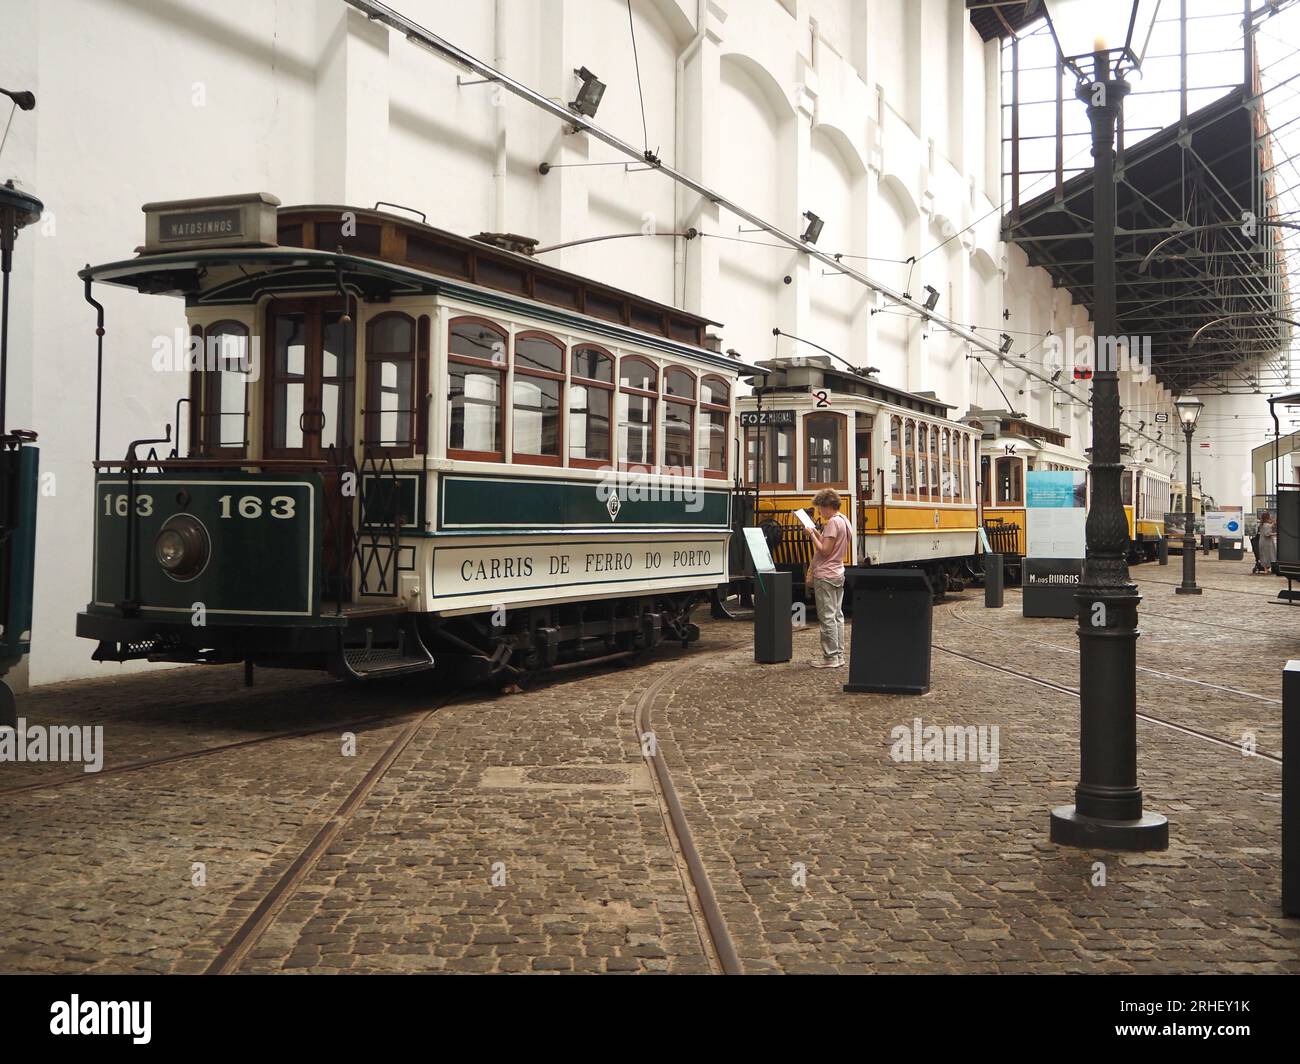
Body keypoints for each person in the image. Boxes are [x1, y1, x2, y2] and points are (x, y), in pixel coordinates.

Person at [802, 488, 851, 669]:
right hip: (838, 571)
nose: (820, 512)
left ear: (828, 506)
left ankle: (830, 657)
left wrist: (812, 535)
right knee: (837, 615)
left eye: (821, 508)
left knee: (827, 617)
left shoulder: (832, 523)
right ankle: (838, 654)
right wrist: (816, 532)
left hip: (826, 574)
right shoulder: (845, 521)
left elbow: (824, 550)